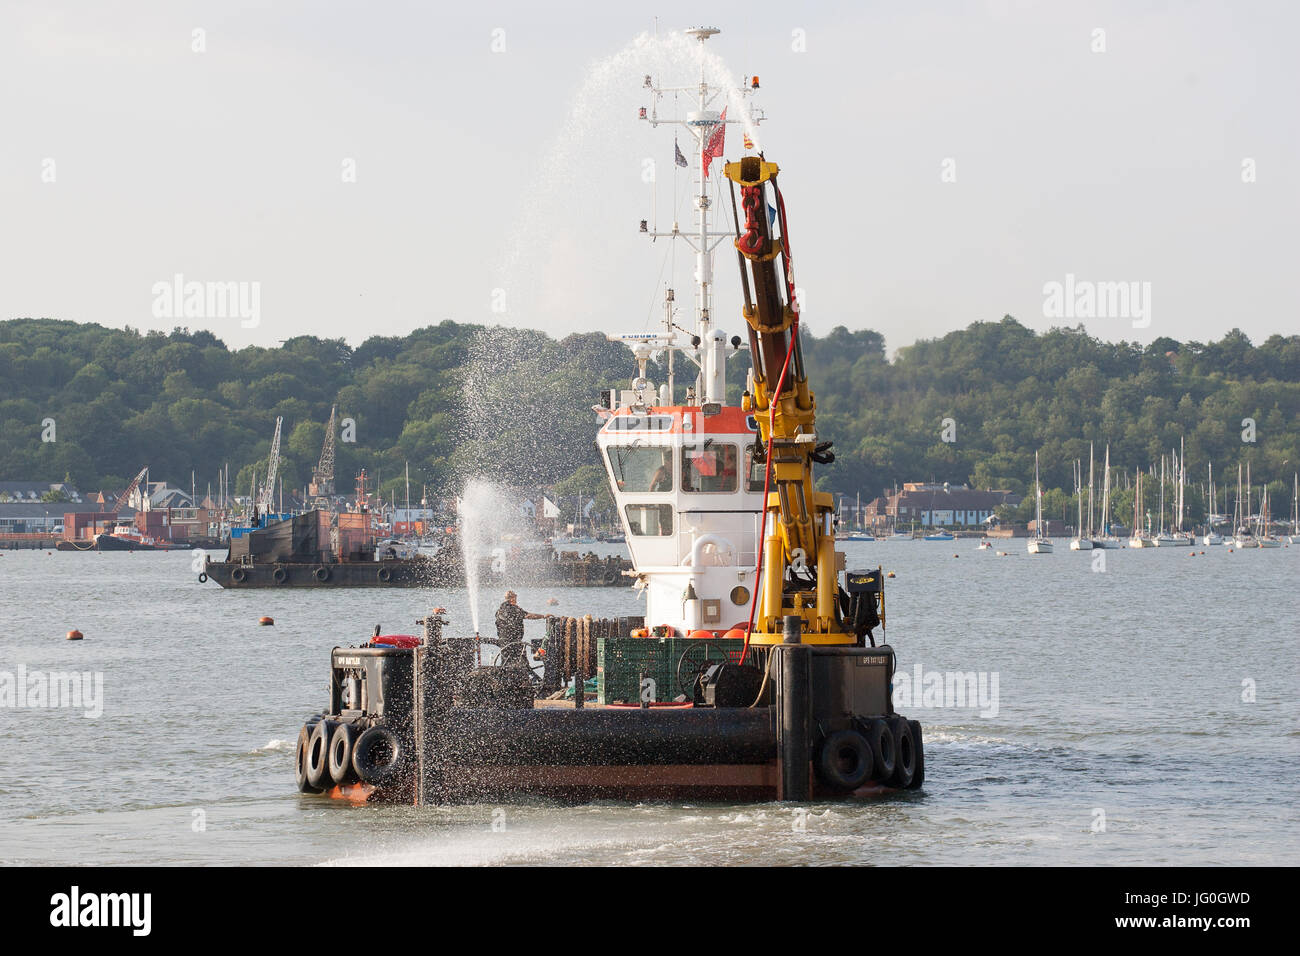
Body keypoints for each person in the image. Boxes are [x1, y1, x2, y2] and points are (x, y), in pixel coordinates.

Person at [494, 590, 550, 669]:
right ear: (512, 599)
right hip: (514, 641)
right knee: (522, 661)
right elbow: (528, 616)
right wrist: (543, 616)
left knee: (505, 662)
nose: (516, 599)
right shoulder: (514, 609)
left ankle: (504, 676)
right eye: (515, 597)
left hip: (503, 641)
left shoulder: (499, 611)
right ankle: (524, 673)